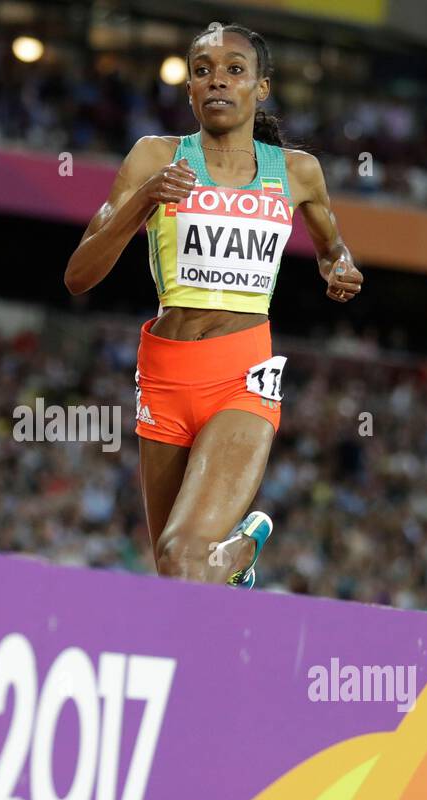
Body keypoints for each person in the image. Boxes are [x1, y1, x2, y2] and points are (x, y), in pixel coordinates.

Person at [64, 22, 364, 587]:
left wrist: (339, 268)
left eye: (234, 70)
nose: (217, 81)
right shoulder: (154, 157)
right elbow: (79, 275)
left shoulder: (296, 171)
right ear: (189, 89)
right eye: (202, 71)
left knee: (182, 558)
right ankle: (230, 569)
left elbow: (331, 247)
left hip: (242, 377)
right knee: (175, 574)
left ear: (261, 88)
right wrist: (146, 200)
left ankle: (238, 554)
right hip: (163, 378)